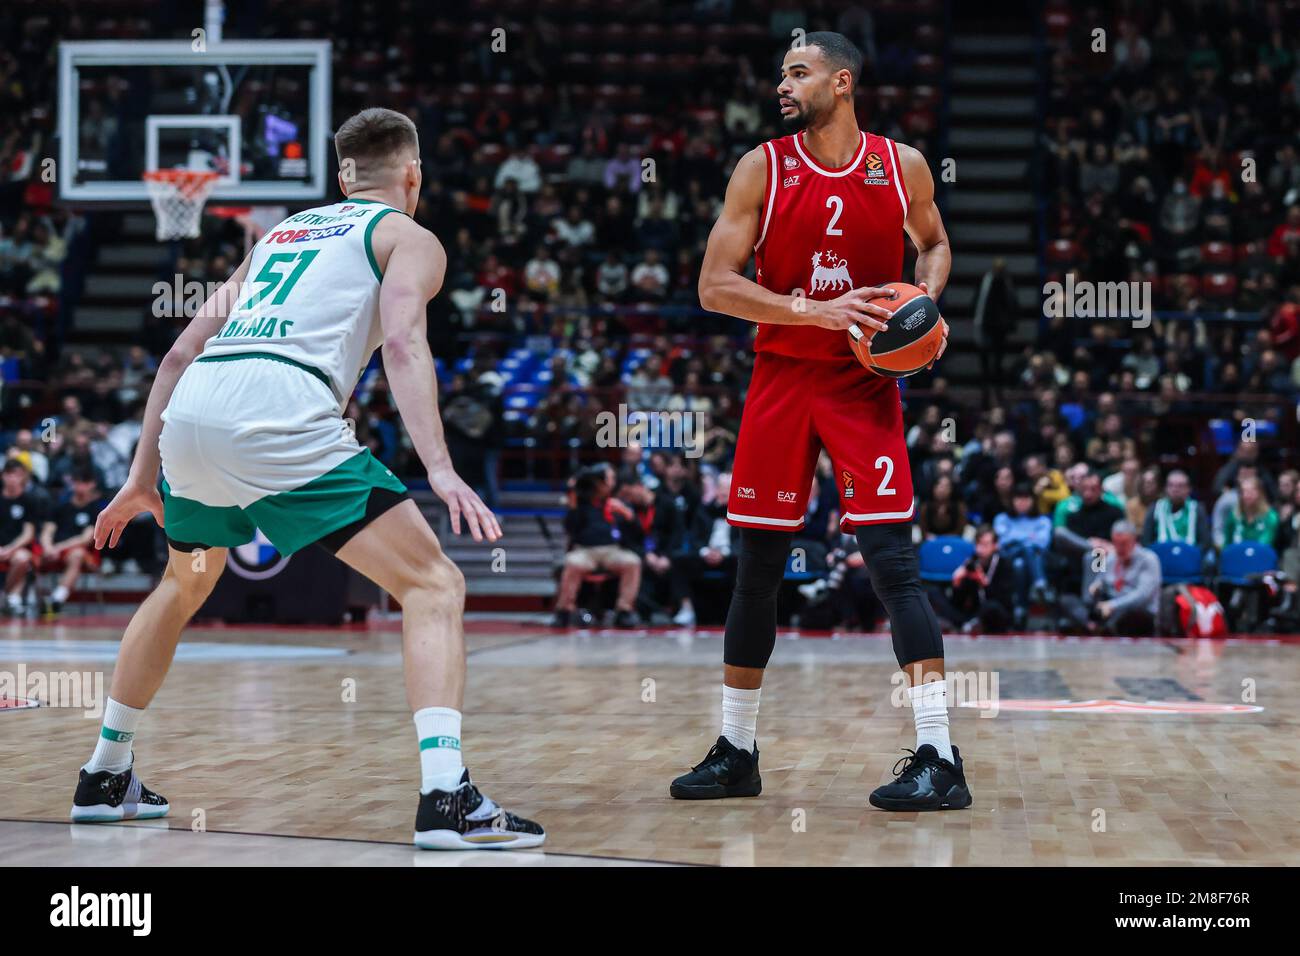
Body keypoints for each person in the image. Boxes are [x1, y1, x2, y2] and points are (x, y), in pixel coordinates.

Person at [78, 108, 543, 850]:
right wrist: (443, 469)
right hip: (281, 414)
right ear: (412, 175)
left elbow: (175, 357)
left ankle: (105, 773)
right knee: (434, 585)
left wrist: (142, 480)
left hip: (194, 416)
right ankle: (446, 796)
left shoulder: (280, 234)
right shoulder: (407, 236)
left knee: (184, 582)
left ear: (341, 178)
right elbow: (401, 339)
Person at [668, 32, 970, 813]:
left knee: (892, 565)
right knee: (757, 571)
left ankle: (939, 755)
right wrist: (813, 308)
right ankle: (737, 749)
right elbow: (714, 286)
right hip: (781, 379)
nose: (783, 85)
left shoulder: (900, 166)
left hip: (862, 386)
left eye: (797, 73)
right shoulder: (761, 167)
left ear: (842, 82)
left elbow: (934, 247)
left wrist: (924, 303)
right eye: (780, 74)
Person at [550, 464, 642, 628]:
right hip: (585, 551)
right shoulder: (581, 502)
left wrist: (628, 515)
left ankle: (624, 611)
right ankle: (564, 610)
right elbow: (570, 527)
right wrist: (573, 502)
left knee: (632, 561)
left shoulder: (616, 503)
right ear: (598, 483)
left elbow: (637, 533)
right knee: (572, 563)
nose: (612, 482)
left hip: (611, 551)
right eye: (609, 479)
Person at [1062, 520, 1162, 635]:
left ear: (1134, 541)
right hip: (1108, 606)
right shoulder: (1111, 557)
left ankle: (1099, 627)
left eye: (1123, 543)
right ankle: (1092, 625)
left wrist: (1113, 605)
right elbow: (1100, 580)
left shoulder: (1149, 559)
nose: (1119, 548)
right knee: (1067, 600)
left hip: (1135, 610)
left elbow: (1142, 596)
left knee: (1129, 617)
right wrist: (1097, 586)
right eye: (1116, 543)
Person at [38, 465, 106, 618]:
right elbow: (47, 531)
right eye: (77, 482)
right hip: (54, 552)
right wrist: (48, 547)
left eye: (84, 483)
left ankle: (56, 599)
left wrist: (58, 548)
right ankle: (23, 601)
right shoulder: (60, 507)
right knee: (28, 556)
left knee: (77, 554)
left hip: (83, 554)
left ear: (92, 485)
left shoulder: (95, 509)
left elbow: (85, 539)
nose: (80, 487)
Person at [926, 526, 1016, 634]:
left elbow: (1004, 600)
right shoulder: (972, 562)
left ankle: (967, 625)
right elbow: (958, 602)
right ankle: (966, 624)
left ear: (995, 546)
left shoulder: (1004, 564)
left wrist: (983, 582)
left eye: (985, 544)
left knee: (992, 606)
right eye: (978, 544)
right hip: (972, 614)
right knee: (933, 592)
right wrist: (957, 583)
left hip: (996, 613)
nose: (980, 549)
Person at [0, 459, 39, 615]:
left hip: (18, 548)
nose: (12, 479)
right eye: (9, 475)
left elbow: (28, 533)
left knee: (22, 559)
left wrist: (9, 549)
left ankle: (5, 594)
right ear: (3, 476)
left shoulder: (29, 500)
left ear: (23, 477)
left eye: (17, 475)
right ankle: (12, 597)